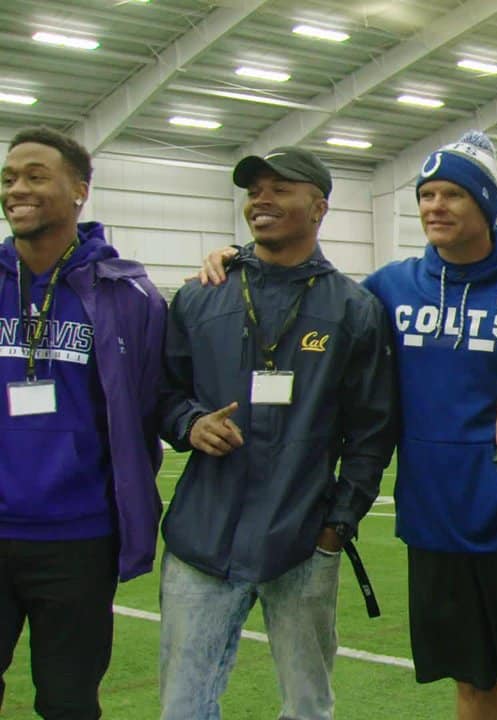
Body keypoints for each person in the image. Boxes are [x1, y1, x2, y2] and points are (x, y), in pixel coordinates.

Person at [157, 146, 397, 719]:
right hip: (202, 539)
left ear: (319, 207)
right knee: (183, 708)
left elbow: (373, 429)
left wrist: (337, 526)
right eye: (253, 190)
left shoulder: (354, 308)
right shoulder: (200, 295)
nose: (260, 200)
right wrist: (190, 425)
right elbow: (162, 395)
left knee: (307, 708)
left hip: (302, 541)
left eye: (279, 188)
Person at [362, 131, 497, 720]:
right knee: (471, 682)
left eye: (452, 193)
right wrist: (240, 259)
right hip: (435, 517)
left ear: (485, 202)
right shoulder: (390, 286)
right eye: (427, 195)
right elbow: (316, 303)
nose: (435, 206)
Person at [0, 127, 165, 718]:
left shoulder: (128, 293)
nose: (17, 188)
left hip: (78, 537)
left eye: (36, 176)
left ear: (79, 191)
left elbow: (156, 398)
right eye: (10, 178)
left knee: (69, 702)